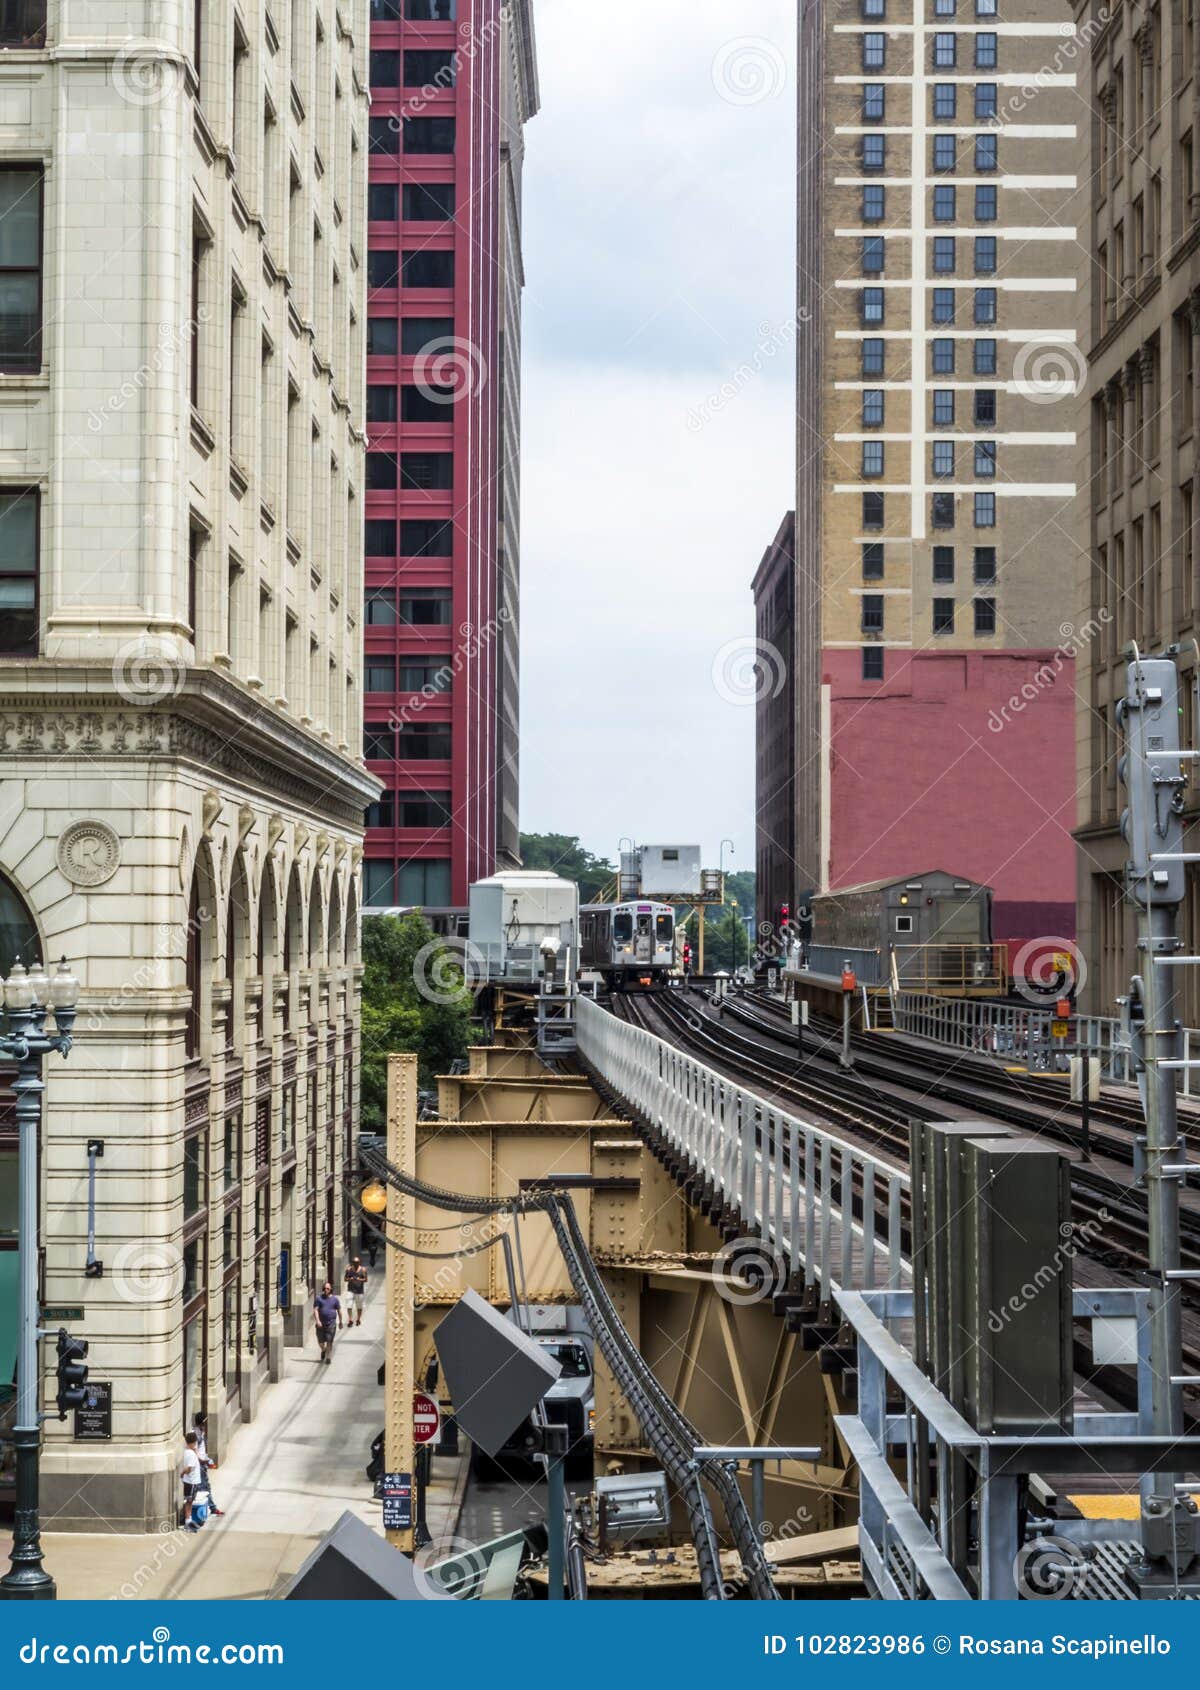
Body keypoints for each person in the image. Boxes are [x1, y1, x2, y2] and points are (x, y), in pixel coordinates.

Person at [192, 1413, 225, 1517]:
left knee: (202, 1487)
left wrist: (207, 1460)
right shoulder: (196, 1434)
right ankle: (212, 1508)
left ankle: (209, 1507)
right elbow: (195, 1451)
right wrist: (203, 1461)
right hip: (199, 1465)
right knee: (204, 1487)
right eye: (205, 1422)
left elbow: (201, 1450)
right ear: (202, 1423)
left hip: (202, 1464)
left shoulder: (200, 1432)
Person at [313, 1280, 342, 1364]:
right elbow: (315, 1310)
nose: (326, 1290)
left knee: (330, 1341)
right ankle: (323, 1349)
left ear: (331, 1289)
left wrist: (340, 1322)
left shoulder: (335, 1299)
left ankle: (328, 1357)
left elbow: (339, 1311)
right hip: (320, 1324)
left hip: (331, 1324)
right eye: (325, 1288)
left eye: (328, 1289)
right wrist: (318, 1321)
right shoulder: (319, 1299)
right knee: (320, 1341)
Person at [180, 1431, 203, 1531]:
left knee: (190, 1501)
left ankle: (188, 1521)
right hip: (191, 1482)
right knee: (189, 1502)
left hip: (192, 1481)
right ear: (193, 1442)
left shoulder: (190, 1452)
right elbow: (189, 1468)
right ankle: (187, 1522)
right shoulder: (190, 1454)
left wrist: (196, 1451)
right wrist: (182, 1473)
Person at [344, 1256, 368, 1326]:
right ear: (352, 1263)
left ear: (359, 1262)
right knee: (349, 1305)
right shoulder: (349, 1269)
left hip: (359, 1291)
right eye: (354, 1262)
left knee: (359, 1306)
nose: (356, 1264)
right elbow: (345, 1279)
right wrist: (350, 1279)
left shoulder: (363, 1270)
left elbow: (366, 1280)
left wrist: (359, 1279)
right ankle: (350, 1319)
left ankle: (358, 1319)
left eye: (357, 1262)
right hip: (350, 1290)